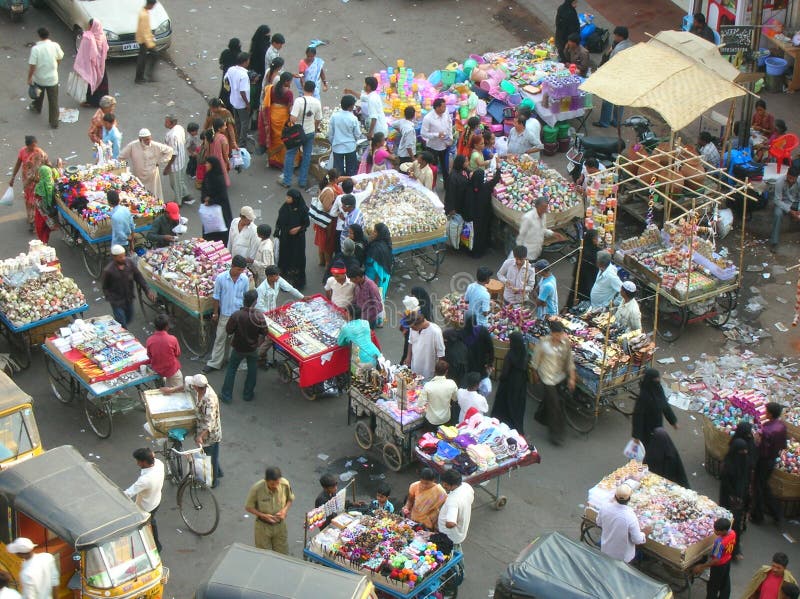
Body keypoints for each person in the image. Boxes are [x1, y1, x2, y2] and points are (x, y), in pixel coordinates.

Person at [163, 373, 222, 485]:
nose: (192, 386)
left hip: (210, 434)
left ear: (197, 387)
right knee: (210, 454)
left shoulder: (209, 400)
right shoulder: (199, 388)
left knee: (210, 456)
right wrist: (171, 390)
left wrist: (200, 437)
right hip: (201, 427)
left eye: (193, 385)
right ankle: (218, 472)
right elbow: (186, 386)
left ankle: (214, 481)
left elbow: (209, 423)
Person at [204, 255, 250, 373]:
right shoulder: (221, 278)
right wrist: (215, 313)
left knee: (236, 340)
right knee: (220, 338)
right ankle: (214, 363)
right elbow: (216, 297)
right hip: (225, 314)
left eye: (242, 270)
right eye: (238, 269)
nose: (240, 272)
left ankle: (232, 361)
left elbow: (246, 297)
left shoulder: (244, 279)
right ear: (232, 266)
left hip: (238, 314)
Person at [531, 322, 575, 444]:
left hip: (560, 376)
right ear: (552, 334)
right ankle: (555, 434)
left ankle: (541, 417)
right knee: (555, 405)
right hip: (547, 377)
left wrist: (572, 378)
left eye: (560, 334)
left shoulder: (565, 343)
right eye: (556, 335)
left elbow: (569, 361)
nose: (558, 337)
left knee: (555, 402)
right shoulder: (544, 343)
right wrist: (535, 373)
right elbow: (536, 359)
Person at [221, 290, 267, 404]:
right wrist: (258, 343)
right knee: (252, 370)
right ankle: (248, 394)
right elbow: (264, 332)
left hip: (238, 348)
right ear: (255, 302)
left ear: (244, 300)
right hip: (252, 349)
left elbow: (228, 330)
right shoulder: (259, 316)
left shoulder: (236, 315)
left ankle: (226, 395)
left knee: (232, 369)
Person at [101, 245, 155, 327]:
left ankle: (118, 325)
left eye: (124, 256)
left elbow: (138, 276)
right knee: (122, 322)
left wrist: (147, 290)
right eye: (120, 257)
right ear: (114, 257)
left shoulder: (129, 263)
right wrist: (111, 298)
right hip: (117, 301)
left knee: (129, 318)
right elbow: (105, 287)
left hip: (129, 298)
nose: (123, 258)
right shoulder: (108, 271)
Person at [281, 81, 322, 189]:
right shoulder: (317, 102)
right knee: (307, 156)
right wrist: (314, 127)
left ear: (304, 88)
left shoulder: (299, 101)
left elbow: (293, 119)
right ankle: (302, 181)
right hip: (310, 132)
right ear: (313, 90)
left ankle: (287, 181)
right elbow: (318, 119)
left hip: (297, 134)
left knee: (290, 154)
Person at [752, 402, 788, 524]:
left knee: (758, 487)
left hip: (763, 461)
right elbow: (783, 445)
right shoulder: (781, 426)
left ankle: (758, 516)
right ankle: (776, 512)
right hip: (772, 460)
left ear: (771, 414)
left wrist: (756, 438)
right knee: (763, 486)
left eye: (766, 411)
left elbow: (761, 448)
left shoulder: (767, 430)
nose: (765, 413)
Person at [245, 466, 294, 554]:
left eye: (277, 483)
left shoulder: (285, 484)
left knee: (282, 554)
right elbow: (248, 507)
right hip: (263, 528)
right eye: (272, 484)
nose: (275, 486)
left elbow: (290, 499)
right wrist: (263, 515)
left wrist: (284, 510)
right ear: (266, 481)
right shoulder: (257, 489)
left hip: (280, 526)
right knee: (263, 555)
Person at [596, 484, 650, 563]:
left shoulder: (605, 507)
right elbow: (637, 540)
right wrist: (644, 534)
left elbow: (599, 523)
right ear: (629, 499)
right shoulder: (630, 516)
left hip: (606, 548)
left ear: (615, 496)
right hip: (622, 556)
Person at [124, 447, 165, 553]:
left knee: (147, 525)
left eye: (138, 461)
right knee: (151, 521)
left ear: (145, 462)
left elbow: (128, 493)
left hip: (145, 508)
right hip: (156, 501)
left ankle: (156, 546)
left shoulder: (145, 480)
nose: (137, 463)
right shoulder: (159, 464)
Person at [594, 26, 634, 128]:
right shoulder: (630, 45)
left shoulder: (618, 49)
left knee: (607, 100)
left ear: (620, 36)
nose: (614, 37)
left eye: (616, 35)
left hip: (615, 77)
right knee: (619, 101)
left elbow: (612, 64)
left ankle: (604, 122)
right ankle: (617, 121)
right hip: (626, 78)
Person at [493, 331, 532, 435]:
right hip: (520, 384)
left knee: (504, 407)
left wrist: (501, 378)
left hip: (509, 384)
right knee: (517, 407)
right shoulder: (524, 354)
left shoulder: (510, 355)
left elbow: (505, 372)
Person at [631, 368, 678, 453]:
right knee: (648, 449)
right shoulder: (643, 396)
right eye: (655, 378)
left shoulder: (658, 388)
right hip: (646, 429)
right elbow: (638, 417)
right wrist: (636, 436)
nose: (658, 380)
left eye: (658, 378)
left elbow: (665, 406)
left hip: (658, 426)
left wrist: (673, 421)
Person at [119, 129, 174, 200]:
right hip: (138, 177)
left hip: (152, 178)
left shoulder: (155, 145)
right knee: (139, 197)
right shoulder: (132, 146)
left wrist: (159, 161)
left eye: (149, 139)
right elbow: (121, 157)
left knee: (154, 197)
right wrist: (124, 171)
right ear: (140, 139)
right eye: (146, 140)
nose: (148, 141)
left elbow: (170, 151)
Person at [719, 438, 750, 560]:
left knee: (735, 525)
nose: (744, 455)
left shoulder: (744, 462)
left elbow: (746, 479)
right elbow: (725, 483)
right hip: (729, 499)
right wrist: (734, 495)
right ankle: (727, 550)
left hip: (740, 499)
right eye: (741, 452)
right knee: (728, 523)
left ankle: (733, 550)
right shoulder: (727, 465)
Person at [9, 136, 48, 229]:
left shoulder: (40, 152)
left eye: (35, 145)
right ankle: (31, 219)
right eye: (32, 146)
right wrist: (13, 177)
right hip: (27, 181)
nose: (34, 148)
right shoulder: (22, 152)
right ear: (27, 146)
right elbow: (18, 164)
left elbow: (47, 163)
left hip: (38, 180)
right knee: (29, 200)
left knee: (36, 199)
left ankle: (35, 219)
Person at [28, 28, 64, 129]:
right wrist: (56, 66)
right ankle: (54, 122)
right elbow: (60, 57)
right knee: (53, 101)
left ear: (39, 36)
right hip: (52, 79)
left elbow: (32, 66)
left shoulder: (36, 49)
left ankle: (37, 107)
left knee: (38, 95)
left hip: (39, 79)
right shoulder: (55, 45)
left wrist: (29, 77)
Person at [275, 188, 310, 289]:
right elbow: (279, 221)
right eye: (287, 196)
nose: (287, 199)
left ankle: (298, 282)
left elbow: (306, 223)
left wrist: (298, 229)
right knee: (285, 257)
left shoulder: (302, 209)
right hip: (285, 238)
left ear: (295, 199)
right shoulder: (285, 207)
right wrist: (278, 231)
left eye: (289, 197)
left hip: (298, 240)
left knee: (297, 258)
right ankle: (285, 280)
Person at [693, 518, 735, 599]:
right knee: (725, 582)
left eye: (717, 531)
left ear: (724, 531)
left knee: (713, 586)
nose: (714, 531)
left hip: (719, 567)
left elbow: (716, 560)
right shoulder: (733, 533)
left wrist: (702, 566)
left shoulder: (720, 542)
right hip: (727, 561)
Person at [464, 169, 501, 257]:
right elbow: (495, 180)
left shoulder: (469, 188)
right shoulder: (486, 187)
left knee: (471, 234)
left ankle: (470, 249)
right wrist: (498, 170)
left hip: (471, 217)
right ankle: (479, 251)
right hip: (482, 217)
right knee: (481, 234)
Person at [74, 19, 109, 108]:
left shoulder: (88, 38)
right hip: (101, 65)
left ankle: (91, 101)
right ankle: (103, 100)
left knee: (90, 82)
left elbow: (83, 53)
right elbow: (106, 49)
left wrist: (79, 65)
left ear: (91, 26)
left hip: (91, 65)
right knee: (102, 82)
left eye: (89, 26)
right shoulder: (102, 36)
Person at [265, 72, 296, 169]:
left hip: (273, 115)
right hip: (282, 117)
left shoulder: (272, 89)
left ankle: (273, 159)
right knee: (283, 139)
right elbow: (290, 108)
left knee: (274, 137)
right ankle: (282, 161)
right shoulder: (288, 93)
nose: (290, 83)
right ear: (286, 81)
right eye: (290, 81)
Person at [438, 470, 474, 551]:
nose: (443, 485)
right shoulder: (466, 486)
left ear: (452, 485)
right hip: (460, 532)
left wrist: (445, 524)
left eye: (445, 484)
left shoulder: (453, 501)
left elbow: (451, 523)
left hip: (450, 536)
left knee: (451, 552)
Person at [200, 156, 233, 243]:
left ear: (212, 165)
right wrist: (204, 198)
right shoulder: (207, 176)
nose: (206, 165)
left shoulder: (219, 178)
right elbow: (203, 189)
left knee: (220, 234)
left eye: (207, 163)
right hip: (209, 210)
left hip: (220, 211)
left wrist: (211, 201)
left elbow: (222, 196)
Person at [420, 97, 453, 183]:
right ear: (437, 108)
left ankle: (447, 185)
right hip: (433, 147)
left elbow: (449, 125)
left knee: (445, 167)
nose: (445, 108)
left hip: (444, 145)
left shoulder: (445, 113)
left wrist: (450, 138)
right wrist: (436, 135)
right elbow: (423, 133)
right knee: (432, 168)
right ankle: (431, 184)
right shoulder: (428, 118)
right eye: (443, 107)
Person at [418, 360, 458, 428]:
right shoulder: (452, 383)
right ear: (446, 371)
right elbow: (455, 398)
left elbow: (420, 404)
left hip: (432, 419)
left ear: (435, 371)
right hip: (446, 418)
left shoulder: (428, 385)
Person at [314, 169, 342, 267]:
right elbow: (327, 208)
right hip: (328, 222)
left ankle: (321, 261)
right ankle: (327, 265)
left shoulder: (325, 186)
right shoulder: (329, 192)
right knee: (327, 244)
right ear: (334, 179)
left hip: (322, 220)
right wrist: (337, 209)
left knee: (322, 243)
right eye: (337, 178)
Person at [406, 312, 445, 380]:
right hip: (415, 366)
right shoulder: (413, 328)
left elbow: (441, 353)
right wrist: (408, 357)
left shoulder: (435, 331)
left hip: (429, 369)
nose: (411, 329)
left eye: (413, 327)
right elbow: (411, 341)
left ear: (419, 324)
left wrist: (438, 371)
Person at [328, 95, 362, 176]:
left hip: (337, 147)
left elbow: (330, 133)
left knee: (338, 173)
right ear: (351, 107)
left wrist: (333, 142)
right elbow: (357, 134)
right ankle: (349, 183)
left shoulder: (334, 116)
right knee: (351, 171)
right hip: (350, 147)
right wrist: (355, 141)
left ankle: (339, 183)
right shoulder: (353, 118)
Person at [146, 313, 182, 386]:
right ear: (167, 326)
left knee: (160, 388)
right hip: (171, 370)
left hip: (157, 369)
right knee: (178, 388)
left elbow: (149, 355)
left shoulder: (149, 340)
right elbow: (177, 354)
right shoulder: (172, 339)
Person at [567, 229, 600, 308]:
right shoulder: (593, 252)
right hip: (587, 279)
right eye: (597, 238)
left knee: (575, 294)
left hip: (580, 277)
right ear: (593, 240)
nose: (598, 240)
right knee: (583, 298)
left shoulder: (582, 247)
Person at [461, 312, 494, 390]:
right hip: (481, 363)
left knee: (469, 385)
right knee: (480, 384)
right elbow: (490, 347)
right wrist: (490, 363)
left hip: (468, 365)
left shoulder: (462, 333)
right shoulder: (483, 330)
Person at [769, 167, 800, 252]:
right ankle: (774, 242)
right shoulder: (780, 181)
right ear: (787, 174)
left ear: (797, 177)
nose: (791, 181)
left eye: (793, 179)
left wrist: (799, 210)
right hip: (783, 203)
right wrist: (790, 211)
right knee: (777, 214)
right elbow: (777, 200)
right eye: (789, 178)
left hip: (796, 202)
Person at [225, 52, 252, 147]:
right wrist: (247, 104)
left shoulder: (231, 69)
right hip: (241, 103)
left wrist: (232, 89)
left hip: (233, 100)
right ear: (245, 62)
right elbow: (242, 91)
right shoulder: (244, 75)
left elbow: (226, 80)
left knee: (237, 121)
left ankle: (236, 138)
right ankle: (242, 143)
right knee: (244, 123)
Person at [164, 115, 192, 204]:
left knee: (174, 184)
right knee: (180, 181)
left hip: (175, 164)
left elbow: (174, 153)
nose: (165, 123)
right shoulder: (180, 128)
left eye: (166, 122)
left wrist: (168, 167)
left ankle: (178, 202)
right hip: (182, 160)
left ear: (172, 123)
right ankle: (186, 194)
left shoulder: (171, 135)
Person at [516, 196, 553, 261]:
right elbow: (521, 236)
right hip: (526, 253)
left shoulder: (543, 216)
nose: (545, 210)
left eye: (546, 207)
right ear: (537, 207)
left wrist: (553, 234)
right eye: (543, 208)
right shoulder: (528, 218)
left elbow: (542, 229)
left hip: (536, 251)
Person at [365, 222, 392, 308]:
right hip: (380, 279)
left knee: (373, 302)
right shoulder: (384, 244)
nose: (372, 233)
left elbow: (379, 272)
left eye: (375, 231)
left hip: (375, 280)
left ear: (380, 234)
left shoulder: (377, 249)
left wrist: (374, 287)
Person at [33, 161, 60, 244]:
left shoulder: (39, 185)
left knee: (40, 226)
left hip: (41, 210)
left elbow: (37, 197)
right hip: (50, 210)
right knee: (46, 227)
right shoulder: (52, 183)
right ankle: (45, 240)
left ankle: (43, 242)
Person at [135, 0, 159, 83]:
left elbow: (146, 29)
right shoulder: (144, 15)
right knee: (153, 56)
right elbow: (145, 31)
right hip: (144, 40)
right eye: (153, 6)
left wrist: (151, 37)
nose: (153, 7)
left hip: (142, 39)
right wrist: (150, 44)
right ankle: (145, 76)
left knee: (142, 58)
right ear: (150, 4)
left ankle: (141, 77)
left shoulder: (143, 11)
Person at [218, 38, 242, 107]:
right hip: (235, 78)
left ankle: (221, 104)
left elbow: (221, 62)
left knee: (225, 91)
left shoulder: (225, 52)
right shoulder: (240, 55)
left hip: (226, 76)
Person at [208, 118, 232, 188]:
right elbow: (225, 154)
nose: (226, 127)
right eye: (224, 126)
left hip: (213, 159)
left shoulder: (212, 136)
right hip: (220, 161)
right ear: (219, 128)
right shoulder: (223, 138)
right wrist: (228, 162)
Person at [248, 25, 271, 91]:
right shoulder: (263, 46)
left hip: (254, 66)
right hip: (261, 69)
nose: (269, 35)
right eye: (268, 33)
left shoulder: (255, 41)